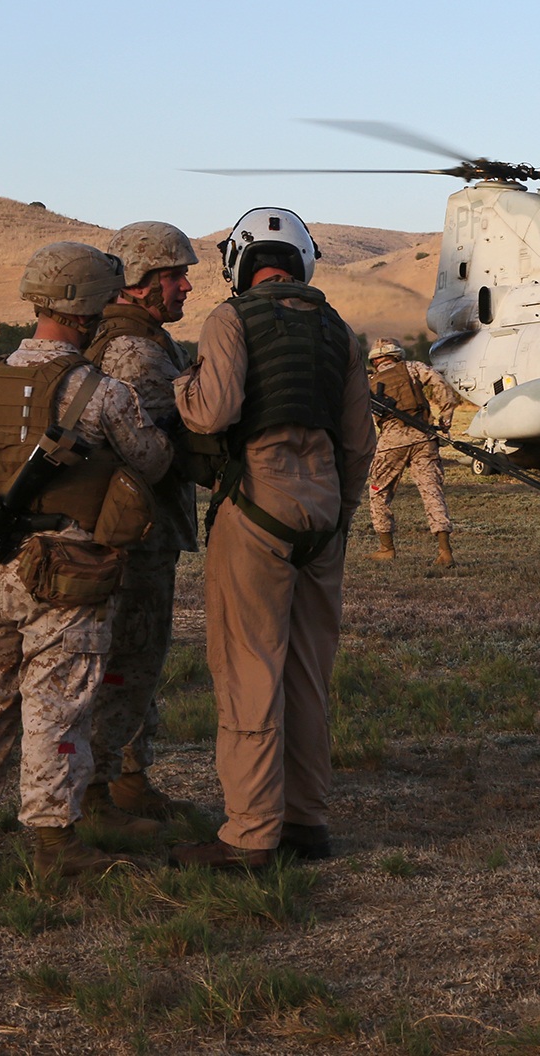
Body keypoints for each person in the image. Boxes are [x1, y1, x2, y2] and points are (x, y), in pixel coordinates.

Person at [0, 242, 174, 876]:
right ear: (91, 307)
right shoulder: (99, 390)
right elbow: (152, 460)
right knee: (57, 702)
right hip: (63, 568)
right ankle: (54, 845)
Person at [169, 207, 374, 871]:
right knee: (308, 676)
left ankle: (251, 835)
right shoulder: (341, 332)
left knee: (250, 671)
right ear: (302, 262)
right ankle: (307, 823)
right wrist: (340, 516)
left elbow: (213, 409)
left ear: (240, 264)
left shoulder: (231, 319)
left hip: (257, 510)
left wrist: (178, 385)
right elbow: (357, 442)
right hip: (323, 518)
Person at [83, 221, 200, 827]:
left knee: (136, 654)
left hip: (135, 530)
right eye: (174, 276)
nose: (185, 287)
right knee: (129, 658)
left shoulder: (139, 340)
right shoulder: (134, 351)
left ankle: (128, 778)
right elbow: (152, 451)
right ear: (138, 281)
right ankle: (101, 791)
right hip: (134, 533)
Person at [364, 337, 461, 567]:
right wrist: (445, 418)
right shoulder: (413, 368)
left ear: (375, 359)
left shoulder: (369, 382)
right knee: (432, 492)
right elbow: (440, 383)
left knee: (379, 492)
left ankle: (386, 548)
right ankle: (444, 551)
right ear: (397, 355)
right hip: (424, 438)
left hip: (391, 442)